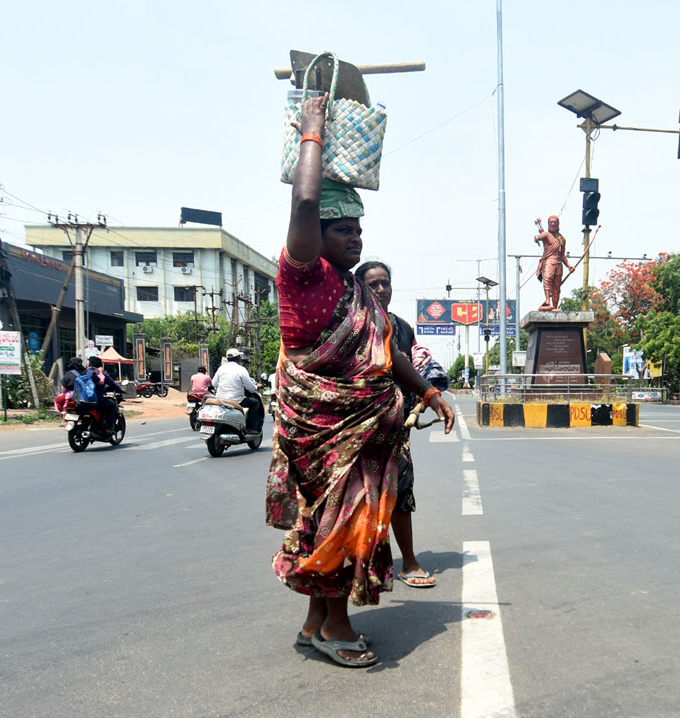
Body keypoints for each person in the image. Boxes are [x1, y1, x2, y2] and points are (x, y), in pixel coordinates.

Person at [268, 94, 454, 669]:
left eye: (359, 229)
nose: (355, 238)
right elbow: (303, 199)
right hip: (326, 432)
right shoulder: (303, 275)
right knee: (339, 524)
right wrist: (314, 131)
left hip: (366, 430)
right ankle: (338, 625)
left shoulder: (354, 291)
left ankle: (314, 623)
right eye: (343, 229)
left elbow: (388, 352)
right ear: (315, 232)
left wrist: (427, 391)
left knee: (333, 521)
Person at [356, 260, 436, 589]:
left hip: (396, 424)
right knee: (358, 498)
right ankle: (360, 566)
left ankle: (410, 560)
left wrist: (425, 388)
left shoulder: (402, 328)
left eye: (385, 283)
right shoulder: (350, 326)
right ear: (359, 288)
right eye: (373, 284)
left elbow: (409, 367)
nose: (381, 289)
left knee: (401, 489)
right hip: (355, 425)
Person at [212, 348, 262, 433]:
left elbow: (214, 384)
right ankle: (251, 428)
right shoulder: (241, 369)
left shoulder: (221, 369)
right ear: (238, 358)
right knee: (255, 403)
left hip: (220, 400)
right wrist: (256, 387)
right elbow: (250, 387)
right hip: (237, 400)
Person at [533, 215, 576, 311]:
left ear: (558, 224)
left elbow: (562, 255)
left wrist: (569, 266)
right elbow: (539, 237)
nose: (553, 224)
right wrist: (536, 238)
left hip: (558, 263)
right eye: (551, 222)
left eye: (555, 222)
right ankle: (548, 300)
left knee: (557, 285)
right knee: (547, 279)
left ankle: (555, 306)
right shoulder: (546, 235)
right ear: (548, 224)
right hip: (549, 261)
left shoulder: (562, 239)